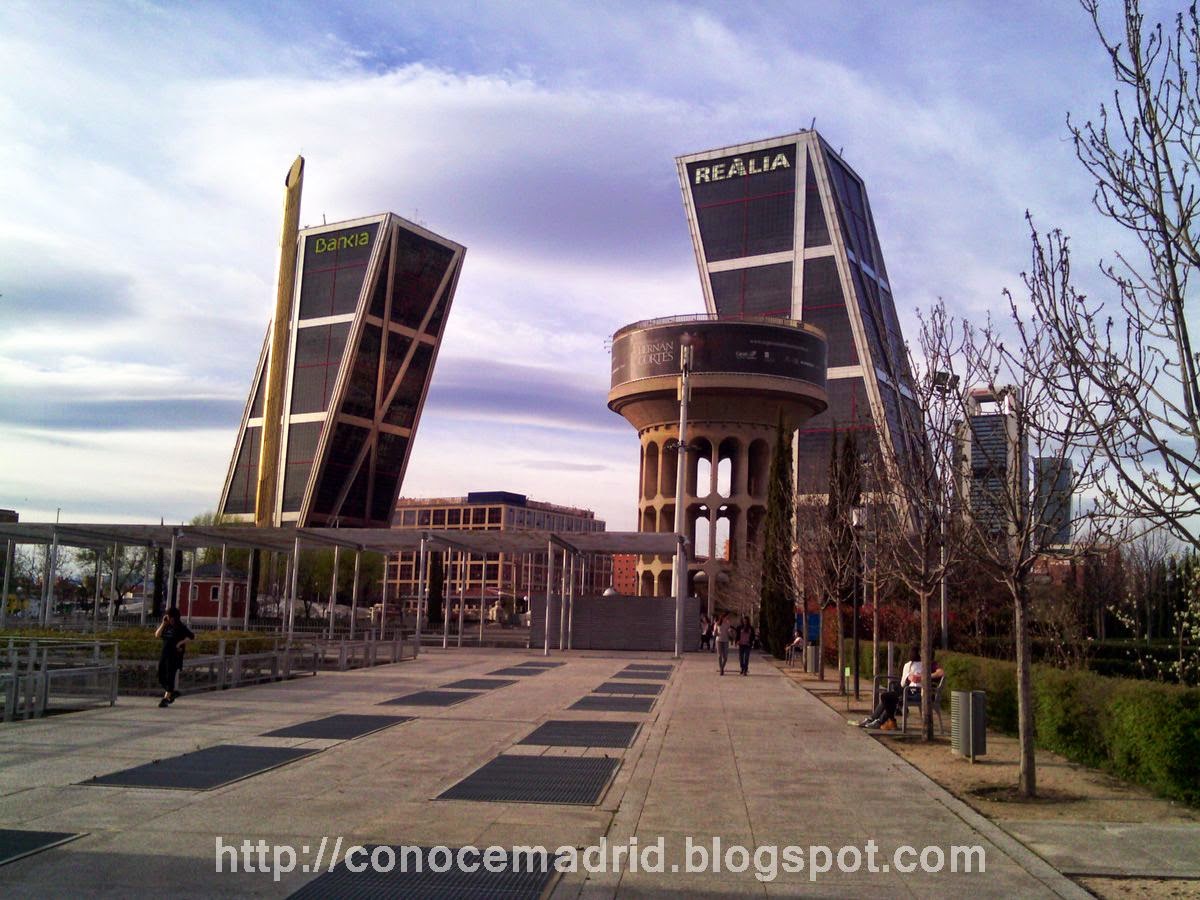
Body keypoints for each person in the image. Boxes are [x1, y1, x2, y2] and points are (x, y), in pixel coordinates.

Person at [859, 648, 943, 729]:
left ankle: (882, 721)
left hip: (920, 694)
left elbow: (941, 672)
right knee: (887, 697)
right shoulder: (919, 665)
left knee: (888, 697)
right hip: (911, 691)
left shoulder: (931, 665)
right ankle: (878, 720)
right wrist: (910, 677)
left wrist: (924, 677)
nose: (921, 657)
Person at [155, 607, 195, 708]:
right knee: (160, 675)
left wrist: (180, 643)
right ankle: (171, 693)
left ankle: (166, 698)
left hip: (175, 655)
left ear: (174, 617)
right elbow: (157, 635)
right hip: (165, 653)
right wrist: (163, 624)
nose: (167, 617)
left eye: (169, 616)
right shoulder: (166, 626)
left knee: (170, 676)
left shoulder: (180, 627)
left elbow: (192, 636)